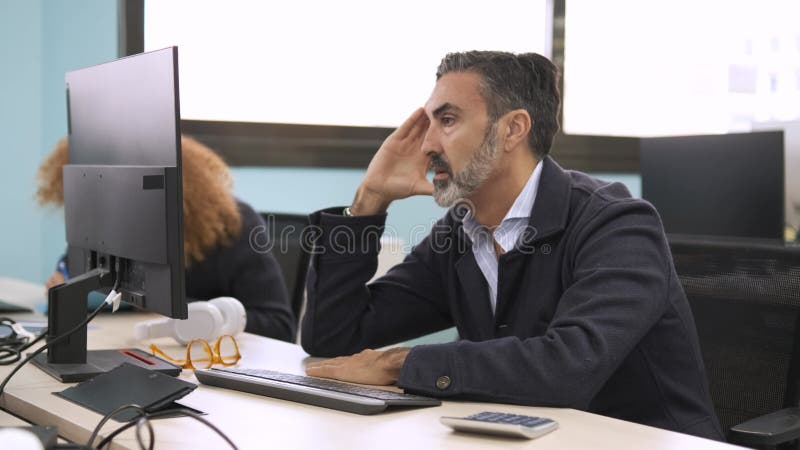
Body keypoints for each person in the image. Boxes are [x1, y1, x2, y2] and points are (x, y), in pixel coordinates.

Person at [301, 51, 723, 440]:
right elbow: (335, 337)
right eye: (429, 124)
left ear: (513, 129)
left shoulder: (617, 224)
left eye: (447, 121)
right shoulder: (460, 231)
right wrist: (370, 199)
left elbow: (568, 368)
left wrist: (398, 364)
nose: (428, 145)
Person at [35, 135, 296, 342]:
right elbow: (75, 270)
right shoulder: (110, 220)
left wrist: (172, 308)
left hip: (211, 365)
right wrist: (68, 287)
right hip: (139, 352)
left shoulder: (234, 225)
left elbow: (279, 326)